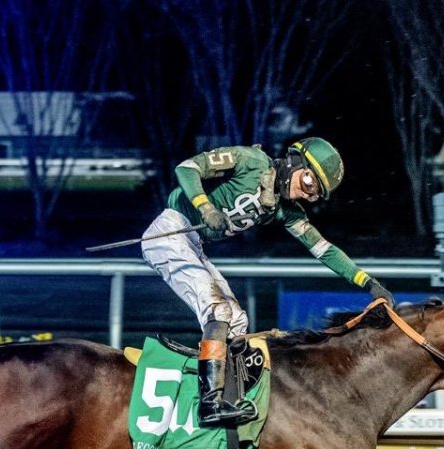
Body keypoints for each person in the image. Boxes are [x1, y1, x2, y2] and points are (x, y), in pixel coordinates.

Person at [140, 137, 395, 427]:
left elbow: (324, 249)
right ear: (295, 162)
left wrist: (369, 283)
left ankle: (230, 398)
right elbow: (187, 168)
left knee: (237, 320)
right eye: (310, 182)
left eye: (314, 194)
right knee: (218, 311)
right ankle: (208, 404)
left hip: (193, 244)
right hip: (169, 231)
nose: (305, 194)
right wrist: (205, 207)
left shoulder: (284, 210)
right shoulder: (251, 160)